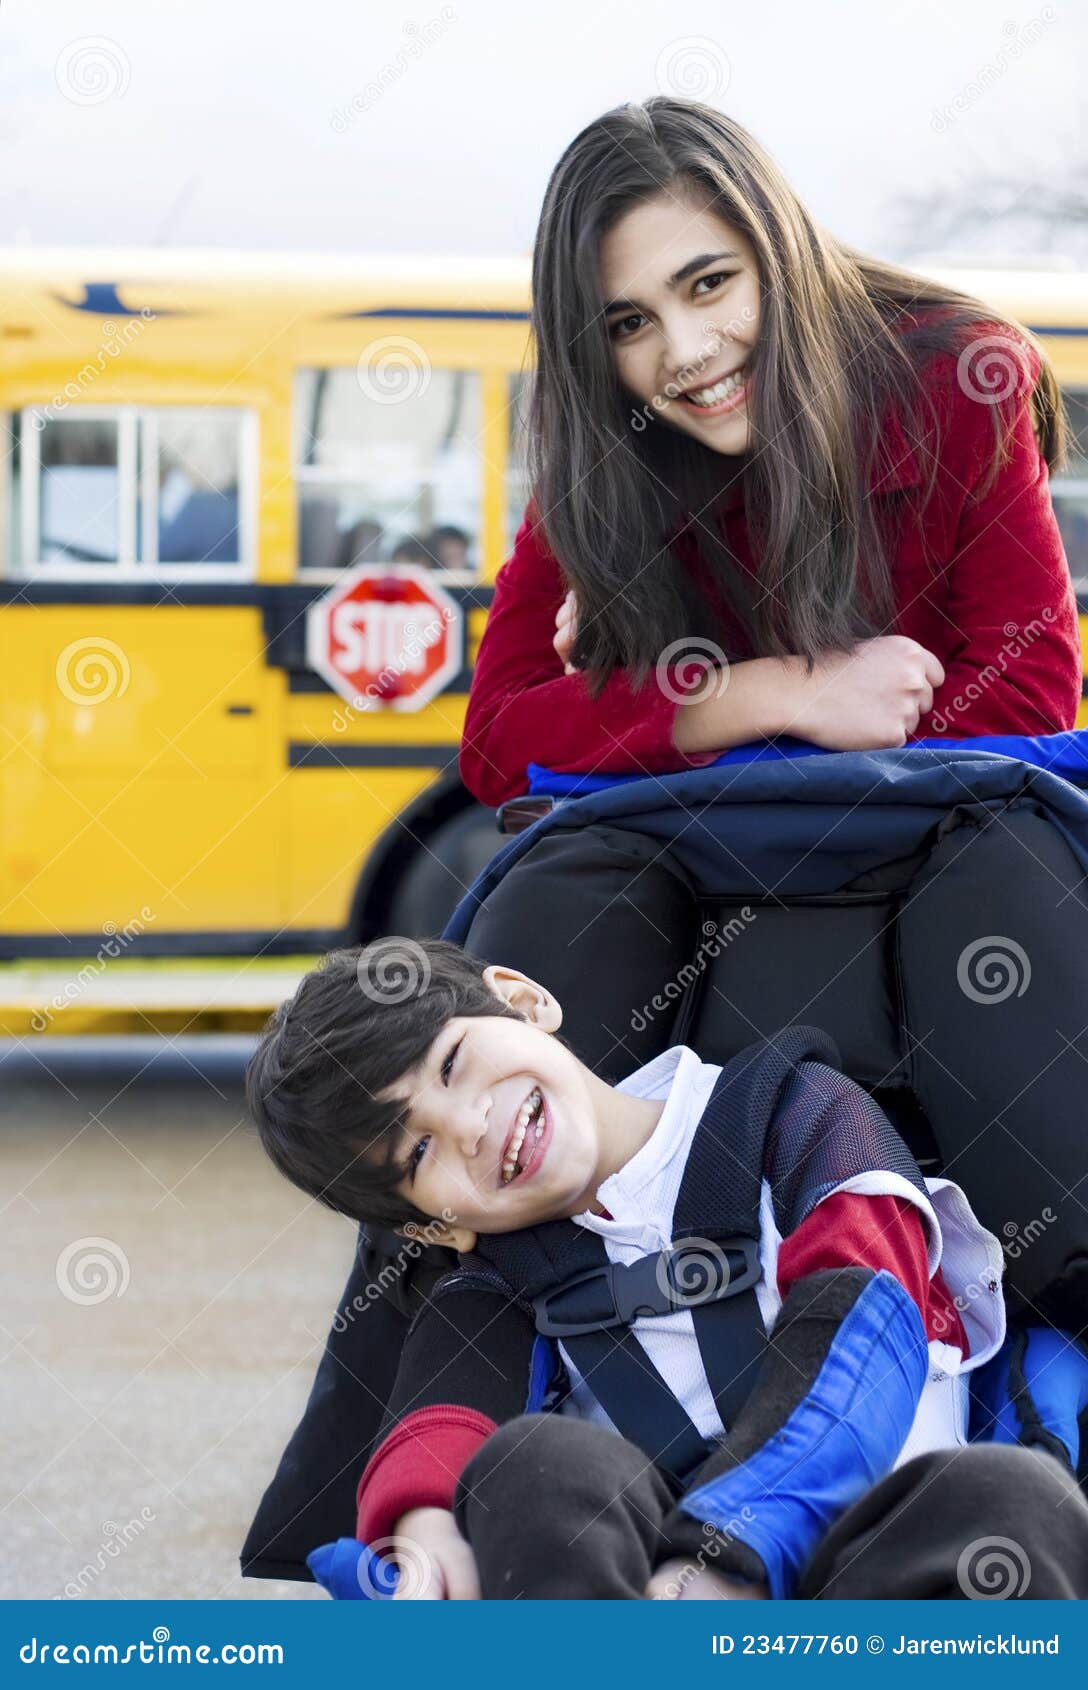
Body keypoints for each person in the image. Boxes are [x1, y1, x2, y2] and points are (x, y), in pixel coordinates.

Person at [246, 940, 1088, 1602]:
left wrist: (724, 1561)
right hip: (643, 1602)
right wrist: (423, 1535)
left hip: (875, 1575)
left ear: (522, 1001)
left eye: (454, 1063)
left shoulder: (801, 1118)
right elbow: (442, 1420)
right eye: (420, 1149)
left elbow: (861, 1334)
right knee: (534, 1466)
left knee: (1012, 1497)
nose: (470, 1125)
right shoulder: (499, 1277)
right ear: (432, 1224)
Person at [460, 97, 1082, 809]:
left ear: (778, 258)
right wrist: (778, 691)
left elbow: (1026, 708)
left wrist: (647, 722)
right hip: (695, 873)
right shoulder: (607, 450)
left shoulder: (958, 382)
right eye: (630, 324)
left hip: (935, 861)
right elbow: (497, 746)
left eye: (710, 284)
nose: (689, 353)